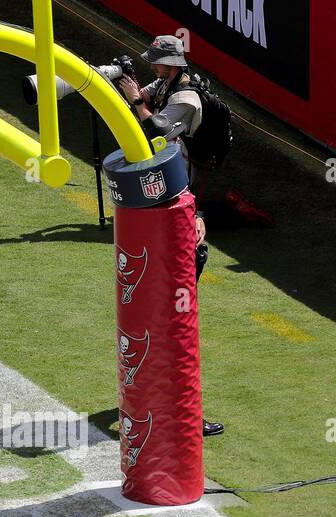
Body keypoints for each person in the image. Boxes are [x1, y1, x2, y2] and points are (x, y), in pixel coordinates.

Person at [116, 36, 223, 438]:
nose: (151, 70)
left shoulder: (187, 100)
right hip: (167, 205)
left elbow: (158, 130)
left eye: (156, 64)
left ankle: (173, 407)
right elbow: (135, 101)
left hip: (174, 203)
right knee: (172, 327)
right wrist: (122, 83)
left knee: (175, 324)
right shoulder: (163, 85)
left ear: (173, 65)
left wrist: (133, 98)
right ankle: (176, 410)